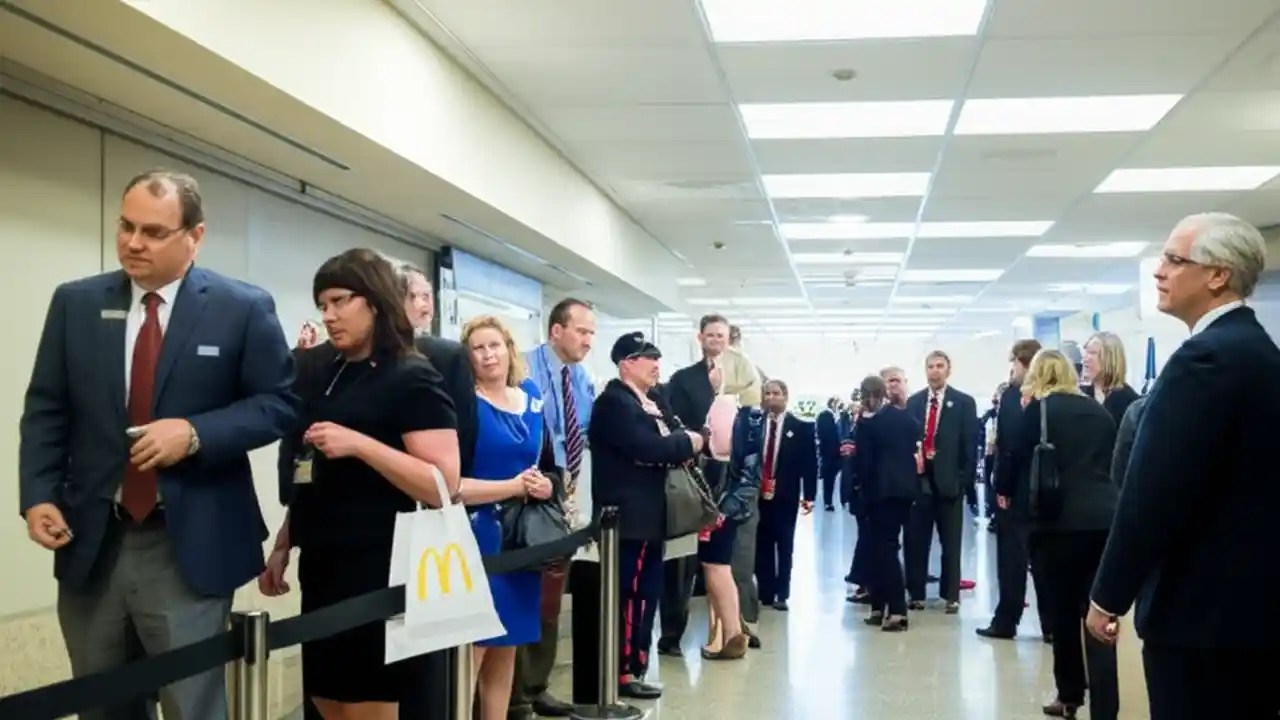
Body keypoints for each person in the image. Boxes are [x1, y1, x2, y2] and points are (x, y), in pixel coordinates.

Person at [19, 170, 297, 720]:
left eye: (153, 231)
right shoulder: (75, 304)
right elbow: (47, 409)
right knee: (100, 703)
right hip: (92, 540)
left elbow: (279, 405)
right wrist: (38, 495)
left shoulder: (241, 307)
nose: (133, 242)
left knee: (190, 703)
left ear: (194, 236)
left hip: (187, 543)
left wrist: (196, 434)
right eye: (125, 226)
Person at [1086, 213, 1280, 719]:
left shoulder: (1205, 361)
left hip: (1201, 620)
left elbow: (1153, 494)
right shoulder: (1257, 352)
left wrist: (1108, 596)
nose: (1159, 271)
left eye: (1174, 259)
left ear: (1218, 275)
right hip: (1251, 614)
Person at [257, 248, 461, 720]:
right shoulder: (319, 371)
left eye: (339, 301)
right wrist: (285, 542)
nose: (328, 316)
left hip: (383, 566)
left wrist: (363, 445)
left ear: (373, 301)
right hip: (324, 563)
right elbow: (310, 467)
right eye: (322, 304)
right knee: (327, 700)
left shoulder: (411, 375)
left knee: (368, 706)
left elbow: (442, 486)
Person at [588, 332, 703, 700]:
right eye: (647, 358)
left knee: (646, 593)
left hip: (653, 515)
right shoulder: (614, 403)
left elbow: (670, 437)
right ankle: (621, 670)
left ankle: (635, 663)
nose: (656, 365)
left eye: (657, 358)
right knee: (629, 593)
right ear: (626, 364)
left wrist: (681, 443)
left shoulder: (653, 400)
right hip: (628, 518)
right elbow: (649, 447)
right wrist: (687, 442)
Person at [1010, 350, 1119, 720]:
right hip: (1103, 521)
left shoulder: (1038, 411)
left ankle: (1070, 695)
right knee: (1099, 613)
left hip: (1056, 524)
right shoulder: (1100, 412)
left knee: (1062, 614)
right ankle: (1106, 703)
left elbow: (1012, 459)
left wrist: (1004, 490)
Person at [459, 315, 555, 720]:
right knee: (475, 647)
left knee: (506, 645)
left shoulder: (531, 396)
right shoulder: (465, 406)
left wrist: (546, 486)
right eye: (478, 348)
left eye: (494, 345)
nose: (488, 354)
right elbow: (450, 484)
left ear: (509, 349)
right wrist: (512, 487)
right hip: (478, 536)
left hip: (521, 537)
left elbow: (546, 463)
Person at [512, 298, 595, 718]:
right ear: (556, 331)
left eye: (592, 333)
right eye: (582, 331)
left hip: (562, 494)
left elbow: (584, 435)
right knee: (521, 591)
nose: (589, 341)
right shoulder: (521, 368)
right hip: (521, 493)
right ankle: (513, 694)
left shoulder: (582, 381)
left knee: (550, 594)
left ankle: (536, 685)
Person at [977, 339, 1051, 642]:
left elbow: (1010, 448)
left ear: (1024, 363)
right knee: (1046, 561)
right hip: (1049, 491)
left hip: (1017, 491)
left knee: (1012, 560)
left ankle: (1007, 620)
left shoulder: (1012, 398)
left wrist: (1002, 487)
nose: (1012, 370)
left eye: (1014, 364)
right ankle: (1051, 625)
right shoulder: (1054, 396)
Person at [904, 351, 977, 613]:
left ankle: (951, 594)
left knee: (951, 542)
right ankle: (916, 593)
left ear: (948, 369)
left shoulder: (963, 403)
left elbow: (970, 446)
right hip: (919, 483)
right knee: (916, 541)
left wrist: (962, 481)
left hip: (949, 483)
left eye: (939, 366)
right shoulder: (913, 403)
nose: (934, 371)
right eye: (930, 366)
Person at [854, 374, 920, 631]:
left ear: (869, 395)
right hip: (903, 491)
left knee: (884, 550)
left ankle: (896, 610)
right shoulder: (905, 418)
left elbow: (865, 461)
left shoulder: (870, 423)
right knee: (880, 549)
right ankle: (878, 606)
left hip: (879, 493)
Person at [696, 405, 761, 660]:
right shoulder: (753, 419)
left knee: (714, 565)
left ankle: (727, 631)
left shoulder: (723, 408)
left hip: (717, 499)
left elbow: (718, 449)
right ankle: (733, 628)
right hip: (735, 503)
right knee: (722, 564)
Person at [754, 379, 817, 612]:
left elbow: (810, 464)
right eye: (767, 393)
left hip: (786, 494)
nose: (771, 398)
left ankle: (783, 592)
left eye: (776, 393)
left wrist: (809, 495)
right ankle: (766, 590)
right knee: (763, 542)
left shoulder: (800, 427)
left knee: (784, 542)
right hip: (759, 493)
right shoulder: (755, 425)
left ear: (785, 396)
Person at [1081, 331, 1139, 427]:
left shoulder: (1128, 400)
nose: (1085, 359)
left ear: (1110, 358)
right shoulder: (1081, 394)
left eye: (1092, 353)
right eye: (1086, 352)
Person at [816, 397, 843, 511]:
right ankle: (828, 502)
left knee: (830, 478)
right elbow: (827, 437)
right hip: (829, 453)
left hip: (833, 453)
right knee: (829, 479)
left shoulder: (832, 416)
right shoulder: (825, 416)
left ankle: (828, 501)